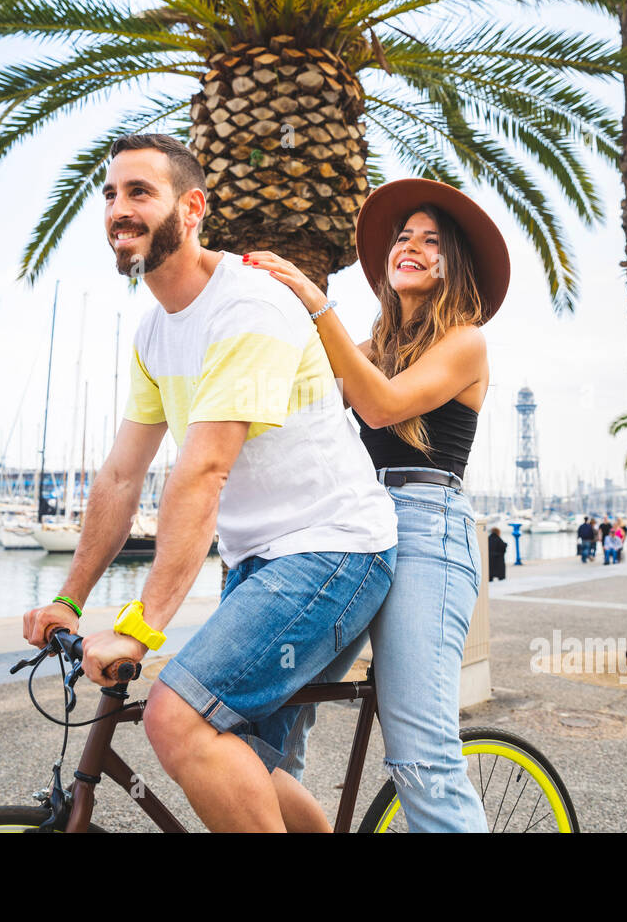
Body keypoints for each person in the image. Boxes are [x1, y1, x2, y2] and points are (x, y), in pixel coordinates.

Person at [20, 134, 398, 832]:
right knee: (254, 765)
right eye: (109, 195)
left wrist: (140, 629)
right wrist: (68, 597)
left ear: (191, 209)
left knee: (175, 718)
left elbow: (204, 469)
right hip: (257, 562)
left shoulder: (246, 307)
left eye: (139, 192)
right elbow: (120, 474)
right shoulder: (155, 331)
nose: (117, 209)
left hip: (335, 550)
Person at [245, 175, 509, 832]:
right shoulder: (367, 351)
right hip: (352, 531)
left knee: (420, 756)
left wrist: (314, 302)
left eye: (430, 241)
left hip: (427, 534)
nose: (409, 246)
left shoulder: (465, 341)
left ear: (455, 266)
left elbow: (381, 404)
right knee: (259, 727)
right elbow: (292, 411)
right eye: (402, 237)